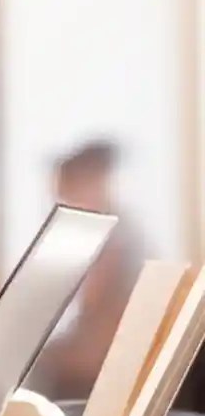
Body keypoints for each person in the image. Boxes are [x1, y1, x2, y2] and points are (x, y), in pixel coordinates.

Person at [31, 140, 144, 399]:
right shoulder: (123, 227)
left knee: (42, 362)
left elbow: (91, 300)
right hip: (106, 341)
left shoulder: (112, 237)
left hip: (114, 349)